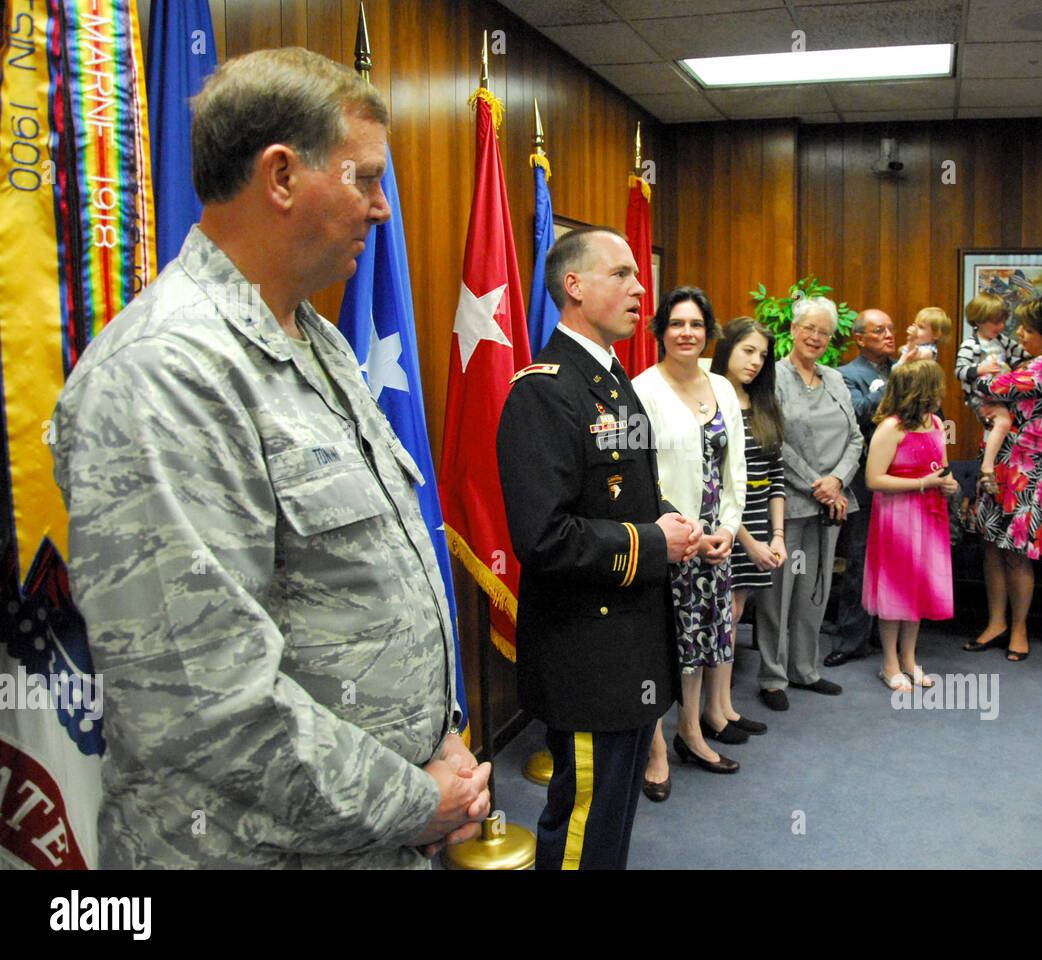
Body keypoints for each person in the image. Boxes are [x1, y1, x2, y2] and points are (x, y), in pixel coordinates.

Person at [49, 48, 490, 869]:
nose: (383, 210)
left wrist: (440, 743)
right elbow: (202, 705)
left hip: (372, 835)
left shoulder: (312, 337)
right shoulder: (167, 374)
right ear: (281, 176)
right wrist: (419, 800)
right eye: (364, 179)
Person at [497, 226, 701, 869]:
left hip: (629, 645)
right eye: (621, 274)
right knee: (585, 814)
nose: (641, 288)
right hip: (588, 652)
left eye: (639, 275)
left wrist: (679, 526)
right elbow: (543, 537)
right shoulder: (544, 391)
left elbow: (625, 497)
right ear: (574, 286)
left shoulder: (613, 382)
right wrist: (650, 542)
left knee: (613, 811)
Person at [634, 288, 751, 794]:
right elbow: (641, 476)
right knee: (662, 645)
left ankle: (691, 731)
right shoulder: (641, 390)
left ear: (709, 333)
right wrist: (687, 532)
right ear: (660, 331)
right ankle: (655, 746)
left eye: (697, 325)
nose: (687, 333)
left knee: (701, 641)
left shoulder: (723, 388)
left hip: (716, 545)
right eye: (677, 324)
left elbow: (736, 469)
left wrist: (726, 528)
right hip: (669, 541)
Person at [756, 296, 863, 710]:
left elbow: (856, 437)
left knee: (815, 590)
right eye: (809, 328)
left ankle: (806, 669)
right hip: (786, 503)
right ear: (793, 330)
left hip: (830, 505)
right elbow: (772, 438)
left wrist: (836, 482)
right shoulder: (772, 377)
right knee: (778, 593)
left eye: (824, 332)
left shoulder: (835, 379)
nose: (816, 337)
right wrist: (816, 484)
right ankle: (772, 677)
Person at [962, 296, 1042, 661]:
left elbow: (991, 388)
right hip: (999, 466)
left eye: (1028, 329)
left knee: (1016, 553)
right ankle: (996, 622)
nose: (1020, 334)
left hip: (1027, 471)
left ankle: (1019, 628)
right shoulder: (1029, 362)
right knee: (992, 547)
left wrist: (984, 380)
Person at [863, 360, 960, 690]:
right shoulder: (890, 427)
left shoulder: (935, 422)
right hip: (897, 517)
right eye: (935, 386)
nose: (940, 393)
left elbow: (942, 469)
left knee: (917, 588)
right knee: (896, 589)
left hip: (930, 516)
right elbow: (873, 479)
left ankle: (909, 658)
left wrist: (948, 484)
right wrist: (922, 483)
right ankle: (889, 663)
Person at [710, 317, 785, 693]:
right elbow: (716, 483)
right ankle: (707, 709)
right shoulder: (709, 396)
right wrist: (750, 541)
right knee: (717, 618)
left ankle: (721, 705)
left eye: (762, 355)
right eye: (748, 350)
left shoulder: (763, 403)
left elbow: (776, 476)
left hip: (756, 521)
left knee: (736, 614)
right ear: (727, 348)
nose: (756, 361)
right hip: (724, 526)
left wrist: (778, 536)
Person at [828, 308, 895, 668]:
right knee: (861, 561)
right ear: (859, 338)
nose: (889, 335)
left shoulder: (903, 367)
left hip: (906, 481)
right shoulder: (845, 375)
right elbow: (862, 412)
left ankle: (892, 636)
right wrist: (897, 382)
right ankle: (852, 639)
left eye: (891, 328)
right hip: (864, 483)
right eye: (879, 330)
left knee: (897, 562)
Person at [955, 293, 1030, 496]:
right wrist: (979, 369)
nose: (1002, 326)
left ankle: (994, 467)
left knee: (1001, 426)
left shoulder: (1002, 341)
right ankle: (987, 470)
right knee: (1003, 422)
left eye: (1003, 321)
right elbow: (959, 371)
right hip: (980, 396)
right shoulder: (971, 345)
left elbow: (1023, 352)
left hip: (1001, 395)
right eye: (997, 322)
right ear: (979, 321)